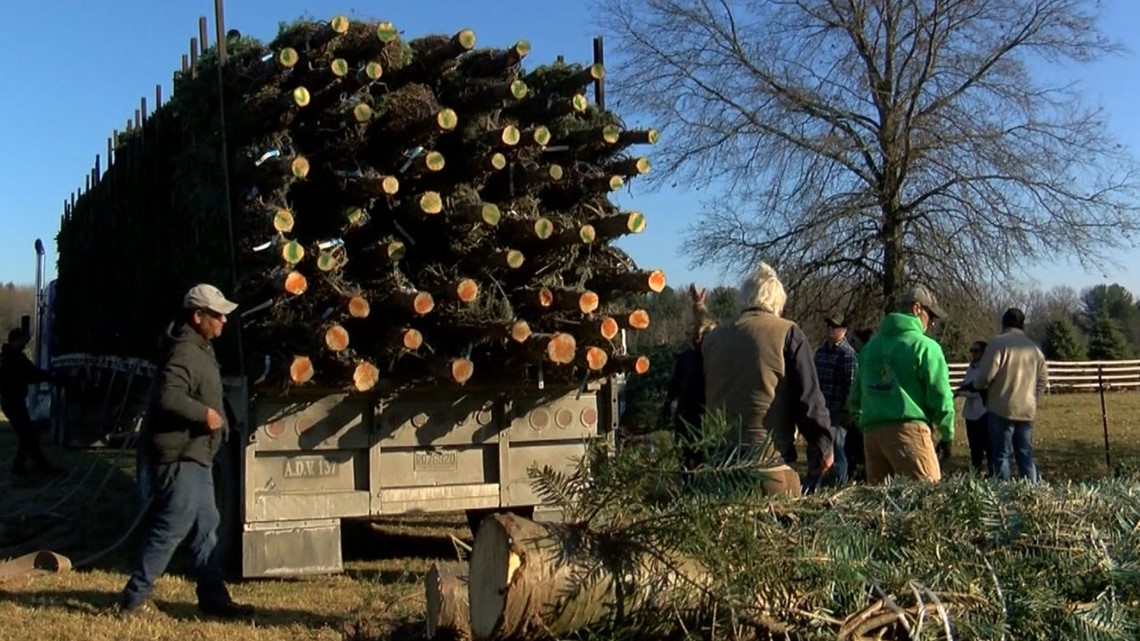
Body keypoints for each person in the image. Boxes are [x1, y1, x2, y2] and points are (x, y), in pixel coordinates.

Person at [119, 284, 254, 619]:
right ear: (197, 316)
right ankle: (135, 599)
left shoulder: (201, 346)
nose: (224, 320)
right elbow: (168, 397)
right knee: (174, 524)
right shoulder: (184, 350)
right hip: (180, 454)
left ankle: (213, 598)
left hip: (198, 454)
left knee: (208, 523)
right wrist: (205, 414)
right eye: (217, 314)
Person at [701, 262, 834, 497]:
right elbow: (808, 399)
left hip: (718, 468)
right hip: (769, 464)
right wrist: (823, 445)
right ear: (778, 304)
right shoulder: (787, 332)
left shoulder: (713, 339)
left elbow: (695, 400)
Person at [849, 286, 955, 484]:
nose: (931, 324)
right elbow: (940, 395)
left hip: (872, 436)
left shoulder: (870, 349)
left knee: (882, 507)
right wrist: (947, 434)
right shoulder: (925, 346)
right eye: (930, 316)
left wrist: (865, 423)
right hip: (910, 432)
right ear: (917, 309)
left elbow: (855, 399)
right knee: (926, 501)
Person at [969, 308, 1049, 482]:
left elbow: (986, 375)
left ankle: (1003, 495)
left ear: (1003, 324)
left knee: (1001, 455)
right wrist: (1033, 397)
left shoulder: (998, 344)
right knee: (1025, 454)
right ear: (1023, 326)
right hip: (1026, 409)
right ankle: (1031, 494)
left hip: (1001, 407)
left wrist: (976, 385)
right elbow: (1042, 379)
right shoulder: (1033, 348)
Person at [663, 285, 716, 471]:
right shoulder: (703, 358)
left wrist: (699, 304)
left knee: (696, 464)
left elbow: (674, 387)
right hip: (693, 420)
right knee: (691, 463)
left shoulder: (700, 358)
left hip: (702, 420)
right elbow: (674, 386)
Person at [0, 327, 64, 478]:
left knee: (28, 436)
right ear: (17, 340)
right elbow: (32, 374)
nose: (26, 343)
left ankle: (31, 466)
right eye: (23, 340)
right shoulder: (14, 358)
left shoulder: (8, 356)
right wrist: (53, 377)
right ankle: (28, 467)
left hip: (11, 401)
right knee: (28, 436)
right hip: (13, 401)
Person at [806, 314, 857, 490]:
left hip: (836, 411)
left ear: (843, 330)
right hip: (819, 409)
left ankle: (837, 487)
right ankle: (812, 486)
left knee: (838, 450)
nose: (830, 330)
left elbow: (851, 386)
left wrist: (846, 412)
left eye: (834, 327)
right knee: (815, 448)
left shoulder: (847, 354)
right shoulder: (820, 352)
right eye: (828, 326)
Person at [956, 341, 993, 474]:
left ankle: (993, 473)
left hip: (984, 411)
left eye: (976, 351)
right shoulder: (971, 367)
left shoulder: (987, 368)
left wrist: (960, 392)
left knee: (989, 447)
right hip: (971, 413)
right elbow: (967, 384)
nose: (973, 353)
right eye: (971, 350)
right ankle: (976, 472)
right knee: (974, 448)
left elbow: (979, 389)